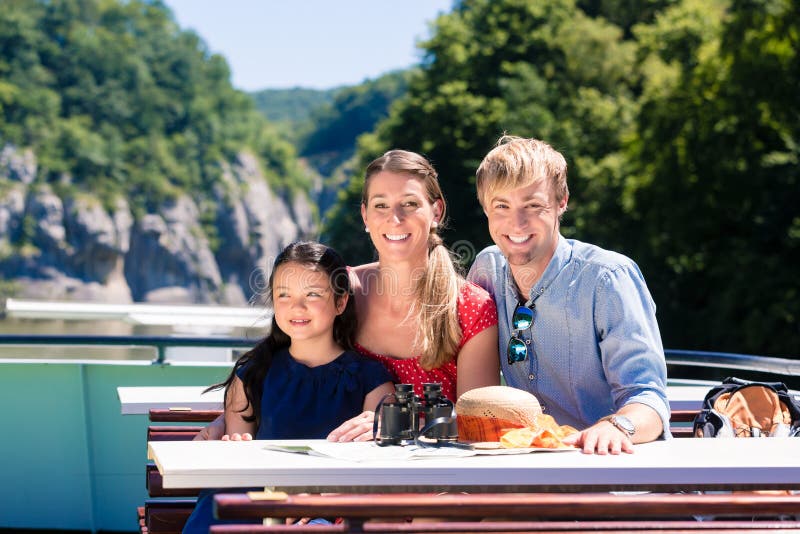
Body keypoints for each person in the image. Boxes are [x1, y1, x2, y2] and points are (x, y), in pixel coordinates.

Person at [196, 150, 500, 442]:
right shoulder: (344, 289)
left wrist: (398, 424)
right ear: (365, 215)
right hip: (346, 474)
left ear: (436, 211)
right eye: (381, 205)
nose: (394, 218)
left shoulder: (471, 307)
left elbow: (478, 422)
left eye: (409, 204)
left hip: (436, 478)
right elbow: (284, 361)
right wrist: (233, 417)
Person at [467, 135, 670, 455]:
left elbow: (649, 399)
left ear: (562, 201)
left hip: (605, 472)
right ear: (485, 209)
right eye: (502, 206)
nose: (516, 223)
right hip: (522, 469)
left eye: (533, 206)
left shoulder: (608, 279)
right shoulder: (486, 269)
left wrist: (617, 427)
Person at [182, 241, 394, 533]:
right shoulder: (252, 374)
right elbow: (240, 464)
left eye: (313, 294)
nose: (297, 307)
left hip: (327, 510)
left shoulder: (372, 381)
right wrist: (233, 450)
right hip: (253, 500)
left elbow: (375, 471)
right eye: (284, 295)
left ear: (340, 302)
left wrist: (318, 501)